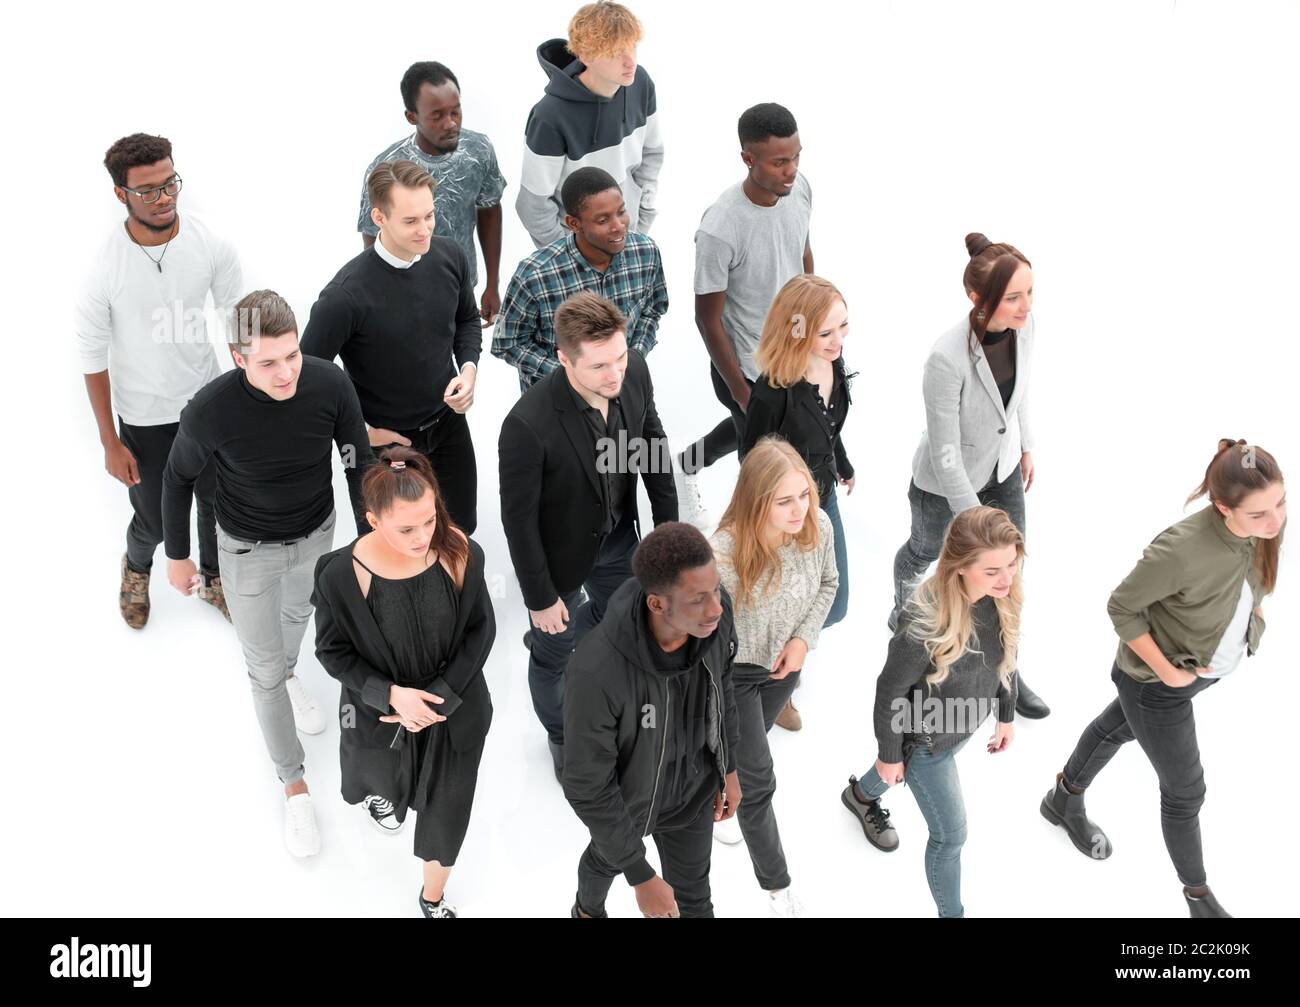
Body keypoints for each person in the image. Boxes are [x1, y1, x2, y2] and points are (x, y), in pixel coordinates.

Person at [161, 290, 374, 857]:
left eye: (293, 356)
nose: (286, 374)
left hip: (316, 535)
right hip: (246, 550)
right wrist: (178, 554)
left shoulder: (330, 384)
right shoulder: (210, 410)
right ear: (238, 358)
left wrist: (371, 538)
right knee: (259, 671)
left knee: (299, 614)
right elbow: (178, 478)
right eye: (268, 363)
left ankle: (287, 674)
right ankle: (294, 784)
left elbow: (356, 458)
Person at [1044, 440, 1285, 919]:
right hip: (1156, 688)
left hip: (1197, 674)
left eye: (1281, 503)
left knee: (1115, 728)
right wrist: (1169, 674)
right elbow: (1121, 606)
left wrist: (1251, 620)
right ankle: (1197, 897)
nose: (1274, 522)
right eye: (1259, 515)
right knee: (1186, 792)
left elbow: (1249, 585)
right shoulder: (1180, 550)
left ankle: (1061, 799)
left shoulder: (1259, 529)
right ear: (1222, 508)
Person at [498, 292, 677, 780]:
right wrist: (540, 599)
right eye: (599, 366)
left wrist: (667, 530)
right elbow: (518, 521)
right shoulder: (525, 425)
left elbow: (651, 440)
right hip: (560, 563)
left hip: (620, 538)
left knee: (622, 621)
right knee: (553, 655)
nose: (615, 373)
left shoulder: (634, 369)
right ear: (563, 358)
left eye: (619, 356)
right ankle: (561, 734)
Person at [312, 447, 495, 918]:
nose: (423, 537)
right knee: (378, 772)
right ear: (373, 520)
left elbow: (480, 632)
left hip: (453, 710)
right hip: (380, 713)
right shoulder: (339, 574)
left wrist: (437, 700)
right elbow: (332, 652)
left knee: (448, 811)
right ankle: (386, 795)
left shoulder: (460, 551)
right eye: (406, 529)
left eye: (429, 521)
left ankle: (431, 897)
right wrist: (388, 695)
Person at [77, 132, 242, 629]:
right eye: (147, 190)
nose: (164, 197)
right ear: (120, 195)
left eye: (170, 183)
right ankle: (135, 567)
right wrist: (109, 441)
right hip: (145, 417)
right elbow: (91, 357)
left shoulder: (210, 243)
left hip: (208, 405)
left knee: (215, 503)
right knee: (152, 518)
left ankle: (212, 580)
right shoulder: (105, 267)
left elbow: (239, 322)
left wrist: (253, 397)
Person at [889, 232, 1050, 720]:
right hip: (944, 486)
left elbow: (1019, 392)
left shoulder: (1026, 327)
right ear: (978, 299)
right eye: (1014, 296)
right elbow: (944, 452)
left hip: (1001, 471)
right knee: (925, 553)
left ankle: (1009, 672)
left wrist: (1024, 444)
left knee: (1008, 570)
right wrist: (974, 517)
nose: (1026, 306)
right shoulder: (945, 358)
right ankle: (901, 610)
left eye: (1030, 292)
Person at [840, 507, 1021, 918]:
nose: (1007, 578)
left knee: (894, 772)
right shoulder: (924, 620)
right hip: (924, 744)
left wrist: (1005, 713)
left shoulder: (1002, 597)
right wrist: (890, 753)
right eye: (992, 570)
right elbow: (889, 690)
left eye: (1011, 563)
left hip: (960, 728)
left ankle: (859, 795)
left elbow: (1009, 653)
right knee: (951, 836)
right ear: (960, 567)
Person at [564, 522, 741, 918]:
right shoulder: (595, 672)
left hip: (693, 796)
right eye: (698, 598)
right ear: (657, 604)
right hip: (628, 804)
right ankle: (586, 910)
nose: (716, 607)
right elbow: (587, 785)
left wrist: (728, 767)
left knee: (694, 900)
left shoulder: (714, 617)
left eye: (715, 589)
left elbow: (723, 691)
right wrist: (640, 874)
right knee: (604, 860)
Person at [304, 159, 482, 533]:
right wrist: (362, 435)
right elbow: (308, 380)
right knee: (389, 546)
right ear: (379, 217)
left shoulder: (450, 256)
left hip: (449, 427)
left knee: (458, 531)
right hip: (387, 445)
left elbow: (467, 319)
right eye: (411, 221)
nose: (425, 229)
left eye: (429, 215)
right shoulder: (344, 297)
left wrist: (468, 370)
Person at [709, 438, 837, 916]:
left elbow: (830, 583)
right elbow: (705, 648)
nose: (799, 509)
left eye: (803, 494)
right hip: (734, 675)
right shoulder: (723, 554)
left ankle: (722, 794)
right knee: (759, 783)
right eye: (784, 501)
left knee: (741, 752)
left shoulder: (817, 526)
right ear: (756, 500)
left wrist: (803, 640)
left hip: (783, 668)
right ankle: (778, 890)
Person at [675, 102, 812, 528]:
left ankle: (684, 464)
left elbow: (803, 254)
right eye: (779, 162)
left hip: (795, 354)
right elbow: (706, 318)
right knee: (763, 470)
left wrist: (816, 326)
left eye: (796, 157)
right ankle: (748, 543)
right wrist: (740, 390)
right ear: (748, 159)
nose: (791, 170)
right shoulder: (720, 227)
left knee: (752, 433)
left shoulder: (800, 189)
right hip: (747, 367)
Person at [357, 61, 507, 323]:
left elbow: (489, 210)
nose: (450, 124)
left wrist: (492, 284)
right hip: (406, 294)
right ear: (412, 117)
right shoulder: (387, 169)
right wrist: (384, 300)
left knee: (463, 355)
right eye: (437, 116)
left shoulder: (479, 150)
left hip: (461, 286)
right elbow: (372, 236)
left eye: (456, 112)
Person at [492, 167, 667, 391]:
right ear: (574, 224)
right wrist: (573, 377)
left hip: (623, 394)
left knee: (629, 429)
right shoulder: (535, 276)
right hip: (557, 408)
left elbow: (652, 310)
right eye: (603, 220)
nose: (618, 226)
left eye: (621, 212)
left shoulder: (646, 252)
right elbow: (507, 343)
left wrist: (632, 359)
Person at [742, 274, 852, 632]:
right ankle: (780, 661)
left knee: (835, 606)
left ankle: (795, 642)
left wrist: (843, 463)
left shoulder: (832, 361)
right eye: (825, 334)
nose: (838, 341)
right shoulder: (772, 392)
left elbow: (826, 423)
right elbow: (751, 459)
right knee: (779, 600)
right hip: (783, 508)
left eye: (844, 326)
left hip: (824, 495)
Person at [517, 1, 662, 248]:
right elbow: (533, 205)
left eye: (632, 48)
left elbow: (652, 155)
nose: (630, 62)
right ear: (586, 55)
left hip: (629, 238)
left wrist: (642, 218)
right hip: (578, 252)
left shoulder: (640, 85)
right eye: (616, 52)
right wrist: (570, 257)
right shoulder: (549, 116)